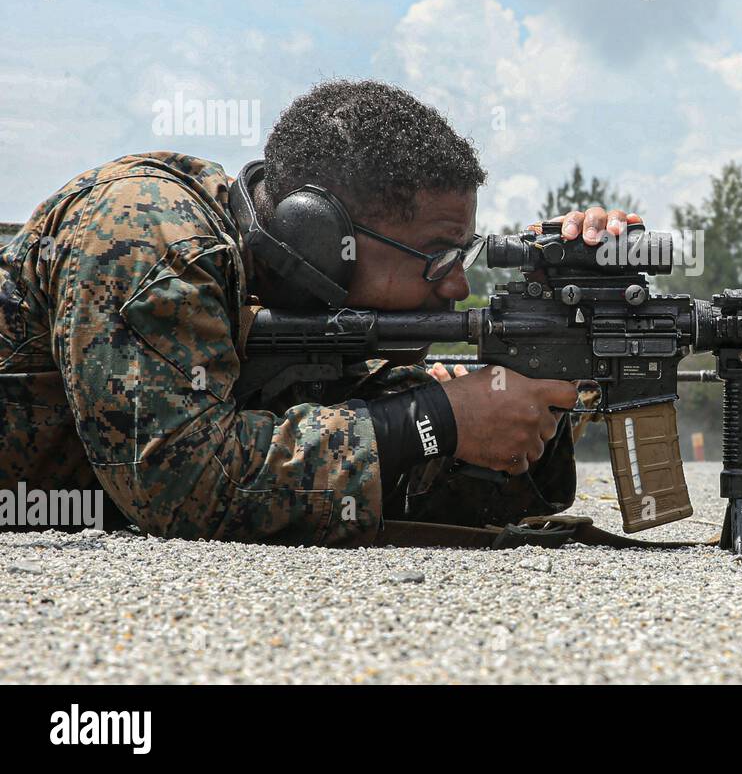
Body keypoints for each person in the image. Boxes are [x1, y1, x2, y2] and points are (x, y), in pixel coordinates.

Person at [0, 80, 641, 545]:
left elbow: (414, 496)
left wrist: (557, 342)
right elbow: (181, 485)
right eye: (436, 255)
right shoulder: (148, 233)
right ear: (317, 234)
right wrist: (425, 421)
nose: (455, 287)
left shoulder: (300, 296)